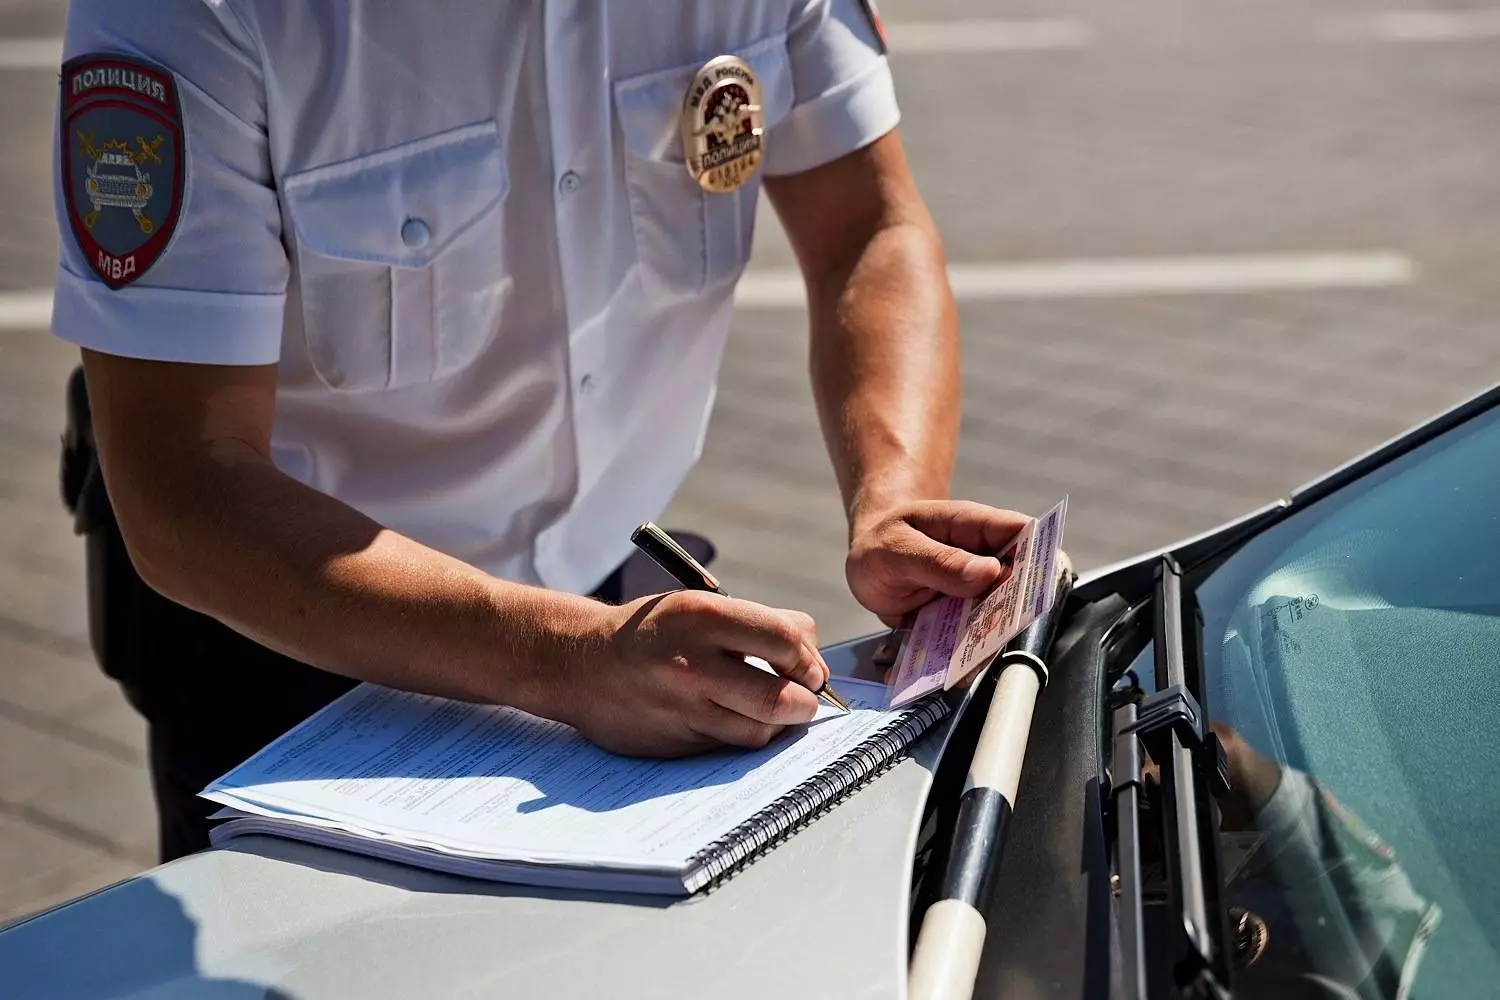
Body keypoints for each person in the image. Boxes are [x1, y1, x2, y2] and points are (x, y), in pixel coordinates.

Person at [52, 1, 1032, 862]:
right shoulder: (204, 10)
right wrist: (568, 658)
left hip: (615, 610)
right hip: (287, 655)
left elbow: (869, 227)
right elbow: (183, 482)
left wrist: (891, 489)